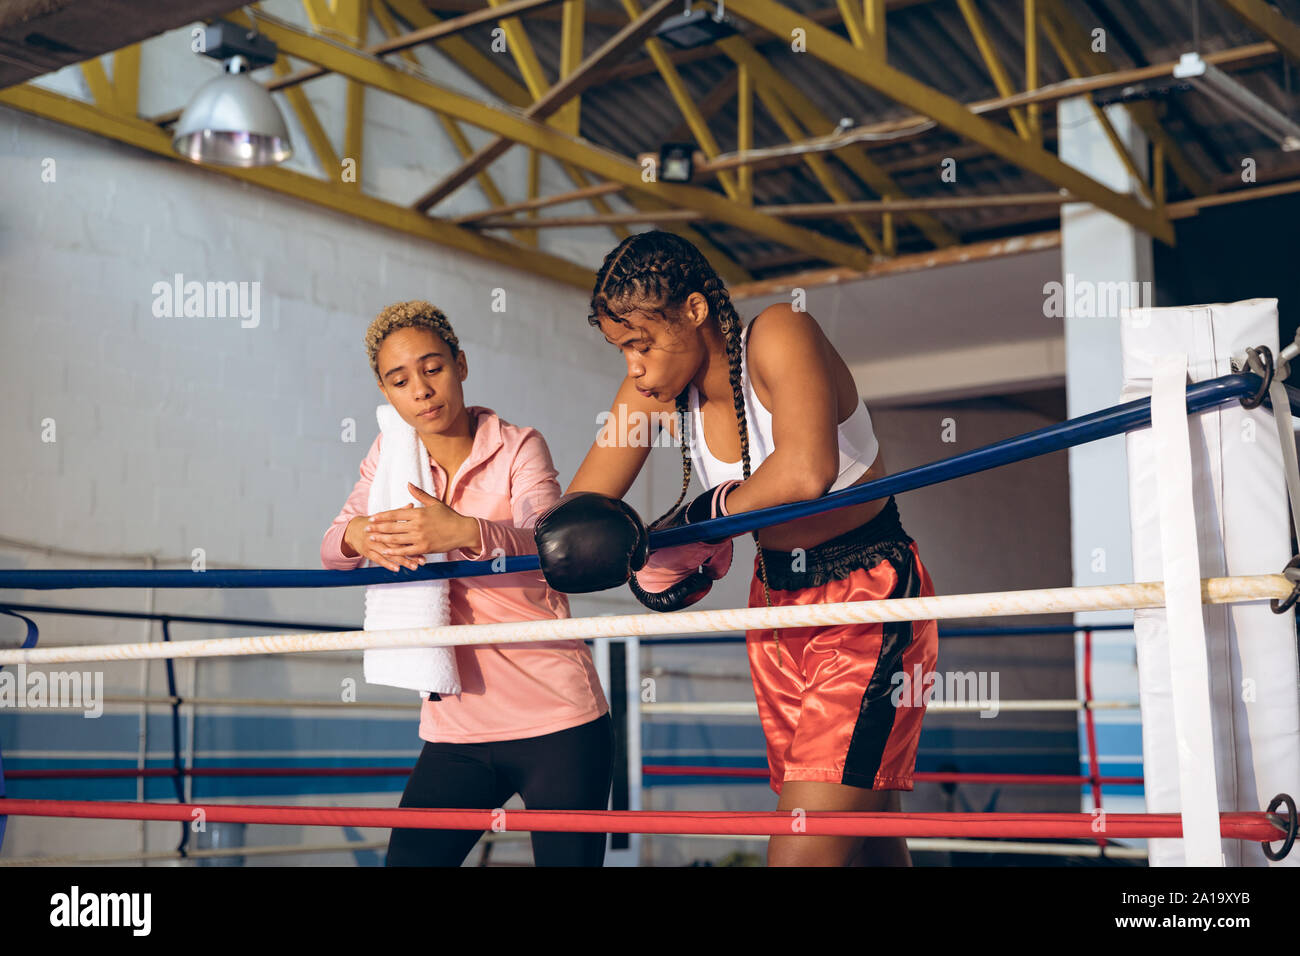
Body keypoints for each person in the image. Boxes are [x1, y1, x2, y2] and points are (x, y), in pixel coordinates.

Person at [560, 232, 939, 866]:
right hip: (774, 608)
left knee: (801, 846)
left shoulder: (778, 334)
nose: (634, 365)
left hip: (866, 600)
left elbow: (804, 470)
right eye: (622, 348)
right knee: (866, 839)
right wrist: (478, 535)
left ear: (695, 310)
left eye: (641, 342)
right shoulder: (652, 392)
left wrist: (700, 521)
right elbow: (577, 522)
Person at [321, 300, 613, 867]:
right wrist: (359, 534)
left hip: (556, 718)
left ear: (461, 364)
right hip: (457, 728)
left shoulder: (519, 445)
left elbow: (551, 545)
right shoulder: (390, 456)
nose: (422, 390)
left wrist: (465, 530)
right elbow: (333, 549)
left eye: (433, 368)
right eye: (400, 380)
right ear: (387, 394)